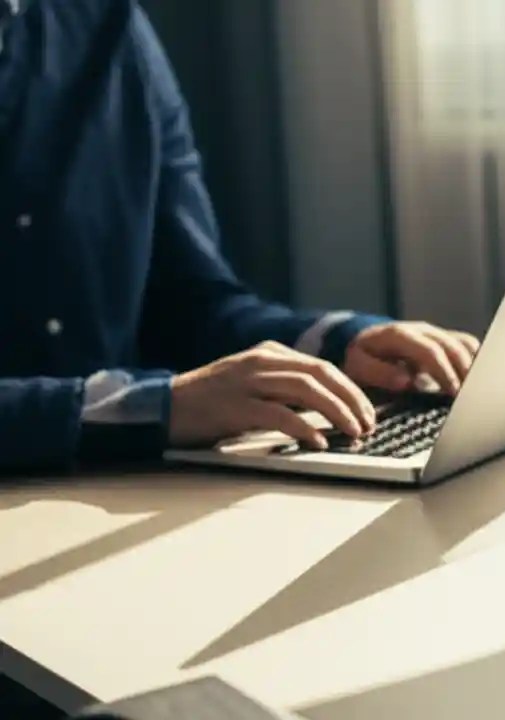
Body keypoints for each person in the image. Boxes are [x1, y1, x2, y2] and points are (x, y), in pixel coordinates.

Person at [0, 0, 479, 473]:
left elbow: (191, 304)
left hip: (118, 491)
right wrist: (153, 407)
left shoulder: (110, 24)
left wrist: (339, 346)